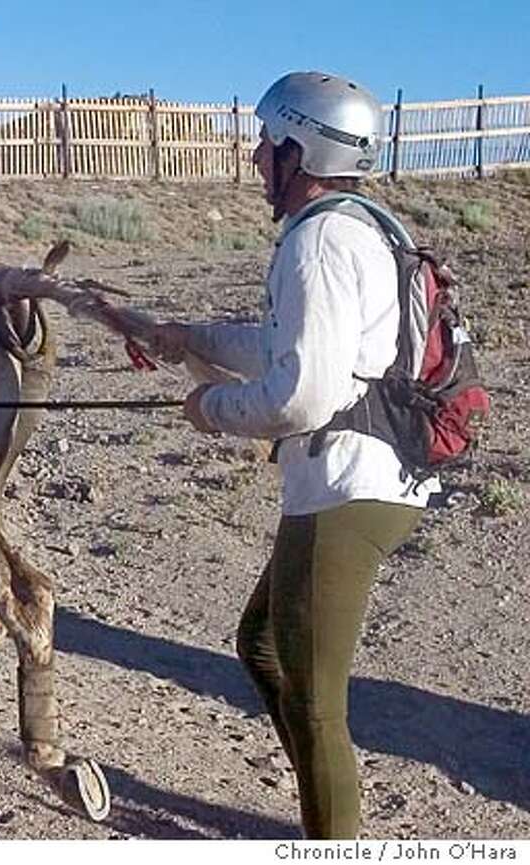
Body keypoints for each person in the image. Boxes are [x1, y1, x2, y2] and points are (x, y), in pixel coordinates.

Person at [147, 71, 436, 839]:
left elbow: (301, 395)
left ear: (296, 148)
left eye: (265, 144)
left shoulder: (318, 240)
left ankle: (331, 838)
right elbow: (295, 349)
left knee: (313, 699)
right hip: (369, 477)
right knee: (265, 643)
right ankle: (322, 808)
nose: (252, 158)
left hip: (345, 487)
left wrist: (209, 409)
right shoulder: (364, 226)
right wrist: (191, 340)